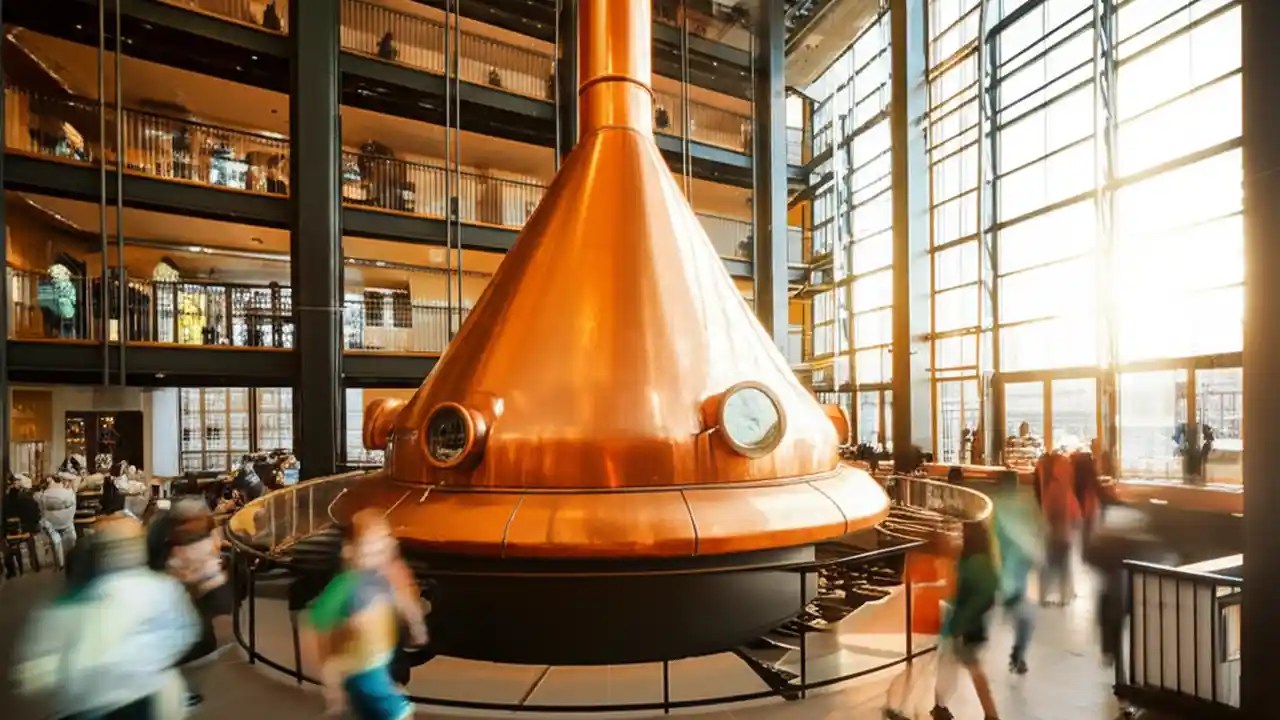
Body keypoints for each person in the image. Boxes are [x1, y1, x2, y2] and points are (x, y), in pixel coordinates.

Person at [14, 514, 200, 720]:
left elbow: (36, 673)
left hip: (95, 703)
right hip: (141, 697)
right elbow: (184, 633)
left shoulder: (71, 602)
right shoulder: (161, 587)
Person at [303, 510, 426, 720]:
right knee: (398, 712)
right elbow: (314, 624)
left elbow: (404, 597)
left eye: (382, 544)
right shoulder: (345, 586)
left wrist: (415, 625)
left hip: (379, 660)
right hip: (362, 667)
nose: (378, 552)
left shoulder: (388, 573)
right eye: (371, 545)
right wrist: (327, 675)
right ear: (350, 550)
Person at [931, 520, 1001, 720]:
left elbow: (981, 595)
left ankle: (990, 714)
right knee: (953, 666)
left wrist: (959, 624)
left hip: (965, 627)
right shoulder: (975, 560)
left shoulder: (975, 564)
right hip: (965, 624)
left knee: (971, 668)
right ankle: (940, 707)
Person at [988, 472, 1043, 674]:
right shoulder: (1020, 506)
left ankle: (1017, 655)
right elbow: (1032, 535)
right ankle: (1018, 655)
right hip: (1012, 575)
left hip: (1006, 575)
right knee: (1024, 617)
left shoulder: (995, 508)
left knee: (1021, 615)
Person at [166, 498, 232, 662]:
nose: (185, 527)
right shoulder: (179, 543)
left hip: (207, 589)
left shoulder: (206, 540)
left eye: (190, 521)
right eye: (183, 522)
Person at [1038, 452, 1080, 605]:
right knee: (1060, 565)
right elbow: (1073, 512)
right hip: (1061, 533)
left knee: (1052, 565)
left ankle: (1049, 595)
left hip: (1056, 533)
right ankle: (1062, 596)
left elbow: (1048, 510)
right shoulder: (1062, 488)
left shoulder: (1053, 487)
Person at [37, 474, 78, 570]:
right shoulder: (69, 494)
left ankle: (60, 563)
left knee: (56, 542)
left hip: (52, 525)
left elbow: (41, 511)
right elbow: (73, 507)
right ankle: (71, 560)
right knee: (70, 540)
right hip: (67, 523)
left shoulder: (43, 496)